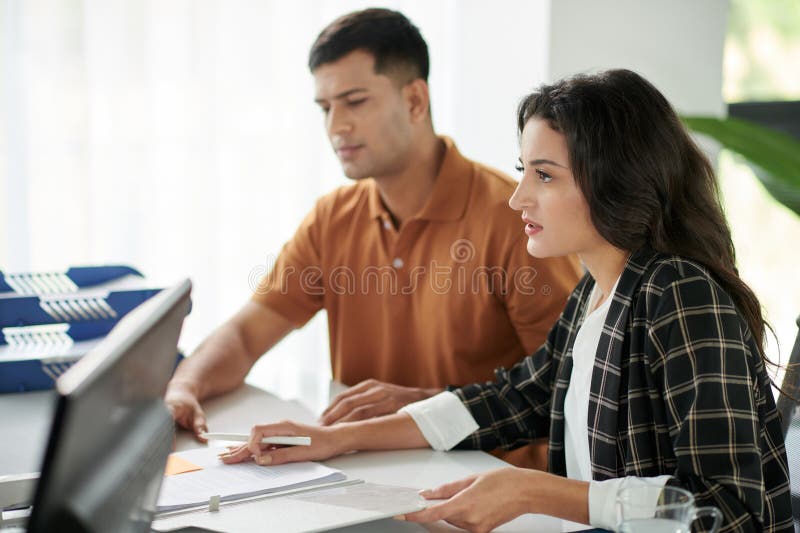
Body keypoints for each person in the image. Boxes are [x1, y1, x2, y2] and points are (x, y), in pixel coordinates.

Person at [219, 69, 794, 533]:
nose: (518, 198)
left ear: (614, 179)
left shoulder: (682, 295)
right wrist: (337, 439)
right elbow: (512, 399)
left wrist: (533, 490)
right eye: (524, 171)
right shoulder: (598, 292)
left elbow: (729, 511)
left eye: (544, 176)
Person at [165, 8, 582, 469]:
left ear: (415, 101)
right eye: (326, 108)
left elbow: (567, 389)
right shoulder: (332, 218)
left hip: (487, 479)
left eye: (355, 101)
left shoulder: (518, 218)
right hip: (358, 468)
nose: (335, 126)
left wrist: (424, 403)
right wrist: (184, 386)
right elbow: (247, 334)